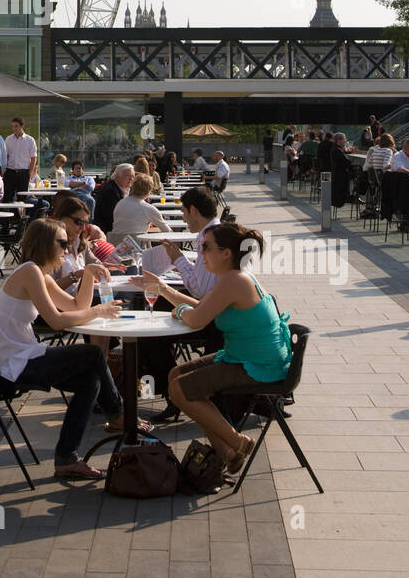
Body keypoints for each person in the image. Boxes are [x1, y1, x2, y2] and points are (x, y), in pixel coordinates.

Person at [0, 217, 138, 481]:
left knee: (90, 381)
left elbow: (77, 306)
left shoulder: (38, 274)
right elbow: (56, 321)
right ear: (46, 243)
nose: (68, 248)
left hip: (21, 357)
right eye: (63, 242)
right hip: (9, 365)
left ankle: (67, 459)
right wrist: (99, 310)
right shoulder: (29, 272)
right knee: (91, 354)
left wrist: (89, 274)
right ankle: (118, 413)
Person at [138, 223, 291, 472]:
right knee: (176, 376)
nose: (200, 254)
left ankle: (236, 442)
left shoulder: (235, 280)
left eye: (206, 247)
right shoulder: (233, 277)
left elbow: (196, 319)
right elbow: (199, 307)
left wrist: (178, 311)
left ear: (226, 253)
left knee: (179, 389)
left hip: (258, 364)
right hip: (247, 357)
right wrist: (164, 289)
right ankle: (227, 453)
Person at [137, 185, 222, 421]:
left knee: (149, 334)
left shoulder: (209, 237)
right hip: (216, 312)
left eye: (184, 212)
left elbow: (199, 290)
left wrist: (178, 260)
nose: (184, 218)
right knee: (152, 319)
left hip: (215, 319)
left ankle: (172, 394)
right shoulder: (215, 232)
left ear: (193, 210)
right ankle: (162, 390)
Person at [109, 173, 172, 242]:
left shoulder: (120, 204)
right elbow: (167, 231)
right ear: (149, 190)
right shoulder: (149, 209)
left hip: (116, 247)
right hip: (139, 249)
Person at [93, 163, 134, 234]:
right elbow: (112, 217)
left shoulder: (118, 188)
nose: (131, 179)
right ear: (117, 176)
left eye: (133, 176)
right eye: (127, 176)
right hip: (108, 234)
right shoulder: (110, 191)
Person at [3, 117, 37, 202]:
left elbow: (33, 158)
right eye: (13, 126)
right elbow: (5, 156)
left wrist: (29, 173)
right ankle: (11, 215)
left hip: (23, 173)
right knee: (7, 197)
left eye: (16, 126)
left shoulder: (30, 140)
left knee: (22, 198)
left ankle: (20, 215)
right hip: (10, 172)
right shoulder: (8, 139)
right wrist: (4, 170)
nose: (14, 128)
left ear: (22, 126)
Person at [329, 133, 354, 210]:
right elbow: (347, 162)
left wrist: (349, 152)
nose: (345, 141)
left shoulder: (336, 149)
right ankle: (353, 195)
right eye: (344, 139)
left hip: (336, 174)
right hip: (340, 176)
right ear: (339, 141)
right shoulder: (337, 150)